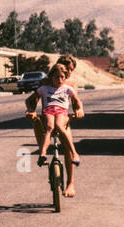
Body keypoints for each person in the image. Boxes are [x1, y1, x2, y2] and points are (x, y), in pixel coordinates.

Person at [26, 61, 85, 197]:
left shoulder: (69, 86)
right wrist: (30, 110)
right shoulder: (44, 84)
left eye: (71, 70)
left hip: (62, 116)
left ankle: (70, 182)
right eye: (68, 69)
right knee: (46, 130)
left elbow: (77, 102)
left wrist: (79, 110)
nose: (70, 73)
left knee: (65, 139)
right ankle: (43, 155)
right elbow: (32, 100)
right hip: (46, 116)